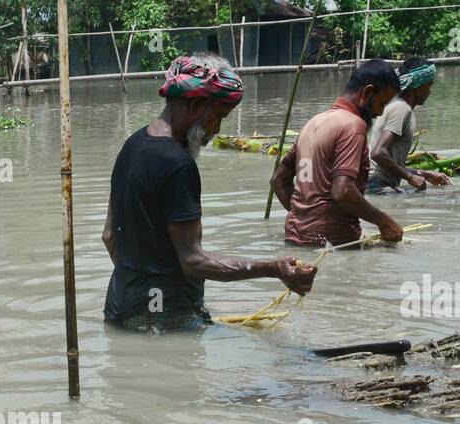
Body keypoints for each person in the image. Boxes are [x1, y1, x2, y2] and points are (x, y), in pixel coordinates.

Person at [102, 54, 317, 333]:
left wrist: (140, 286)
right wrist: (275, 268)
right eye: (218, 117)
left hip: (119, 306)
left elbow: (109, 236)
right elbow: (193, 262)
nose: (216, 130)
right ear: (194, 105)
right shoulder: (177, 164)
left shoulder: (130, 147)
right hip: (164, 318)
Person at [270, 59, 404, 248]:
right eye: (382, 104)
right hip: (336, 244)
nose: (380, 113)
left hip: (294, 238)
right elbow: (342, 191)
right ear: (367, 92)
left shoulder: (313, 123)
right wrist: (385, 222)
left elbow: (278, 180)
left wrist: (302, 219)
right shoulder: (353, 125)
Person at [366, 58, 450, 194]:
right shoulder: (401, 109)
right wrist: (410, 177)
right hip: (376, 186)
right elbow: (378, 153)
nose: (429, 92)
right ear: (417, 86)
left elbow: (389, 164)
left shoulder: (399, 107)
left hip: (378, 183)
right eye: (428, 86)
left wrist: (425, 175)